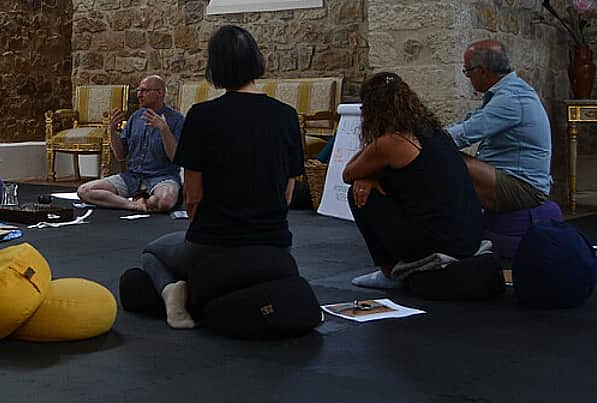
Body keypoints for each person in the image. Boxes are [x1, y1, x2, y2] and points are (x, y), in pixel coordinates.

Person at [139, 26, 304, 328]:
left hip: (215, 241)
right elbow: (287, 192)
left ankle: (172, 293)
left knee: (152, 252)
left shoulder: (202, 115)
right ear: (256, 60)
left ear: (215, 67)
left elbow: (192, 195)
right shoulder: (286, 115)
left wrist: (206, 231)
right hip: (274, 243)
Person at [343, 72, 484, 289]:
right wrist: (371, 174)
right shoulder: (435, 133)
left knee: (360, 193)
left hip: (440, 243)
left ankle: (388, 271)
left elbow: (349, 172)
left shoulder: (393, 142)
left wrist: (367, 175)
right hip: (468, 237)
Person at [446, 40, 552, 213]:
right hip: (509, 176)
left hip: (524, 187)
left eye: (467, 71)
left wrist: (416, 139)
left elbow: (461, 136)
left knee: (444, 159)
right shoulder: (506, 91)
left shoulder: (511, 98)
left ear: (483, 71)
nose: (468, 77)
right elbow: (466, 124)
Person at [77, 75, 185, 212]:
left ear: (160, 93)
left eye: (144, 91)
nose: (139, 95)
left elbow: (175, 157)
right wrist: (111, 130)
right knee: (84, 190)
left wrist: (163, 129)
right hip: (132, 177)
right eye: (138, 91)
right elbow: (121, 155)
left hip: (162, 176)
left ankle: (144, 198)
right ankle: (134, 204)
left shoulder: (176, 119)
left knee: (166, 201)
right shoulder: (136, 117)